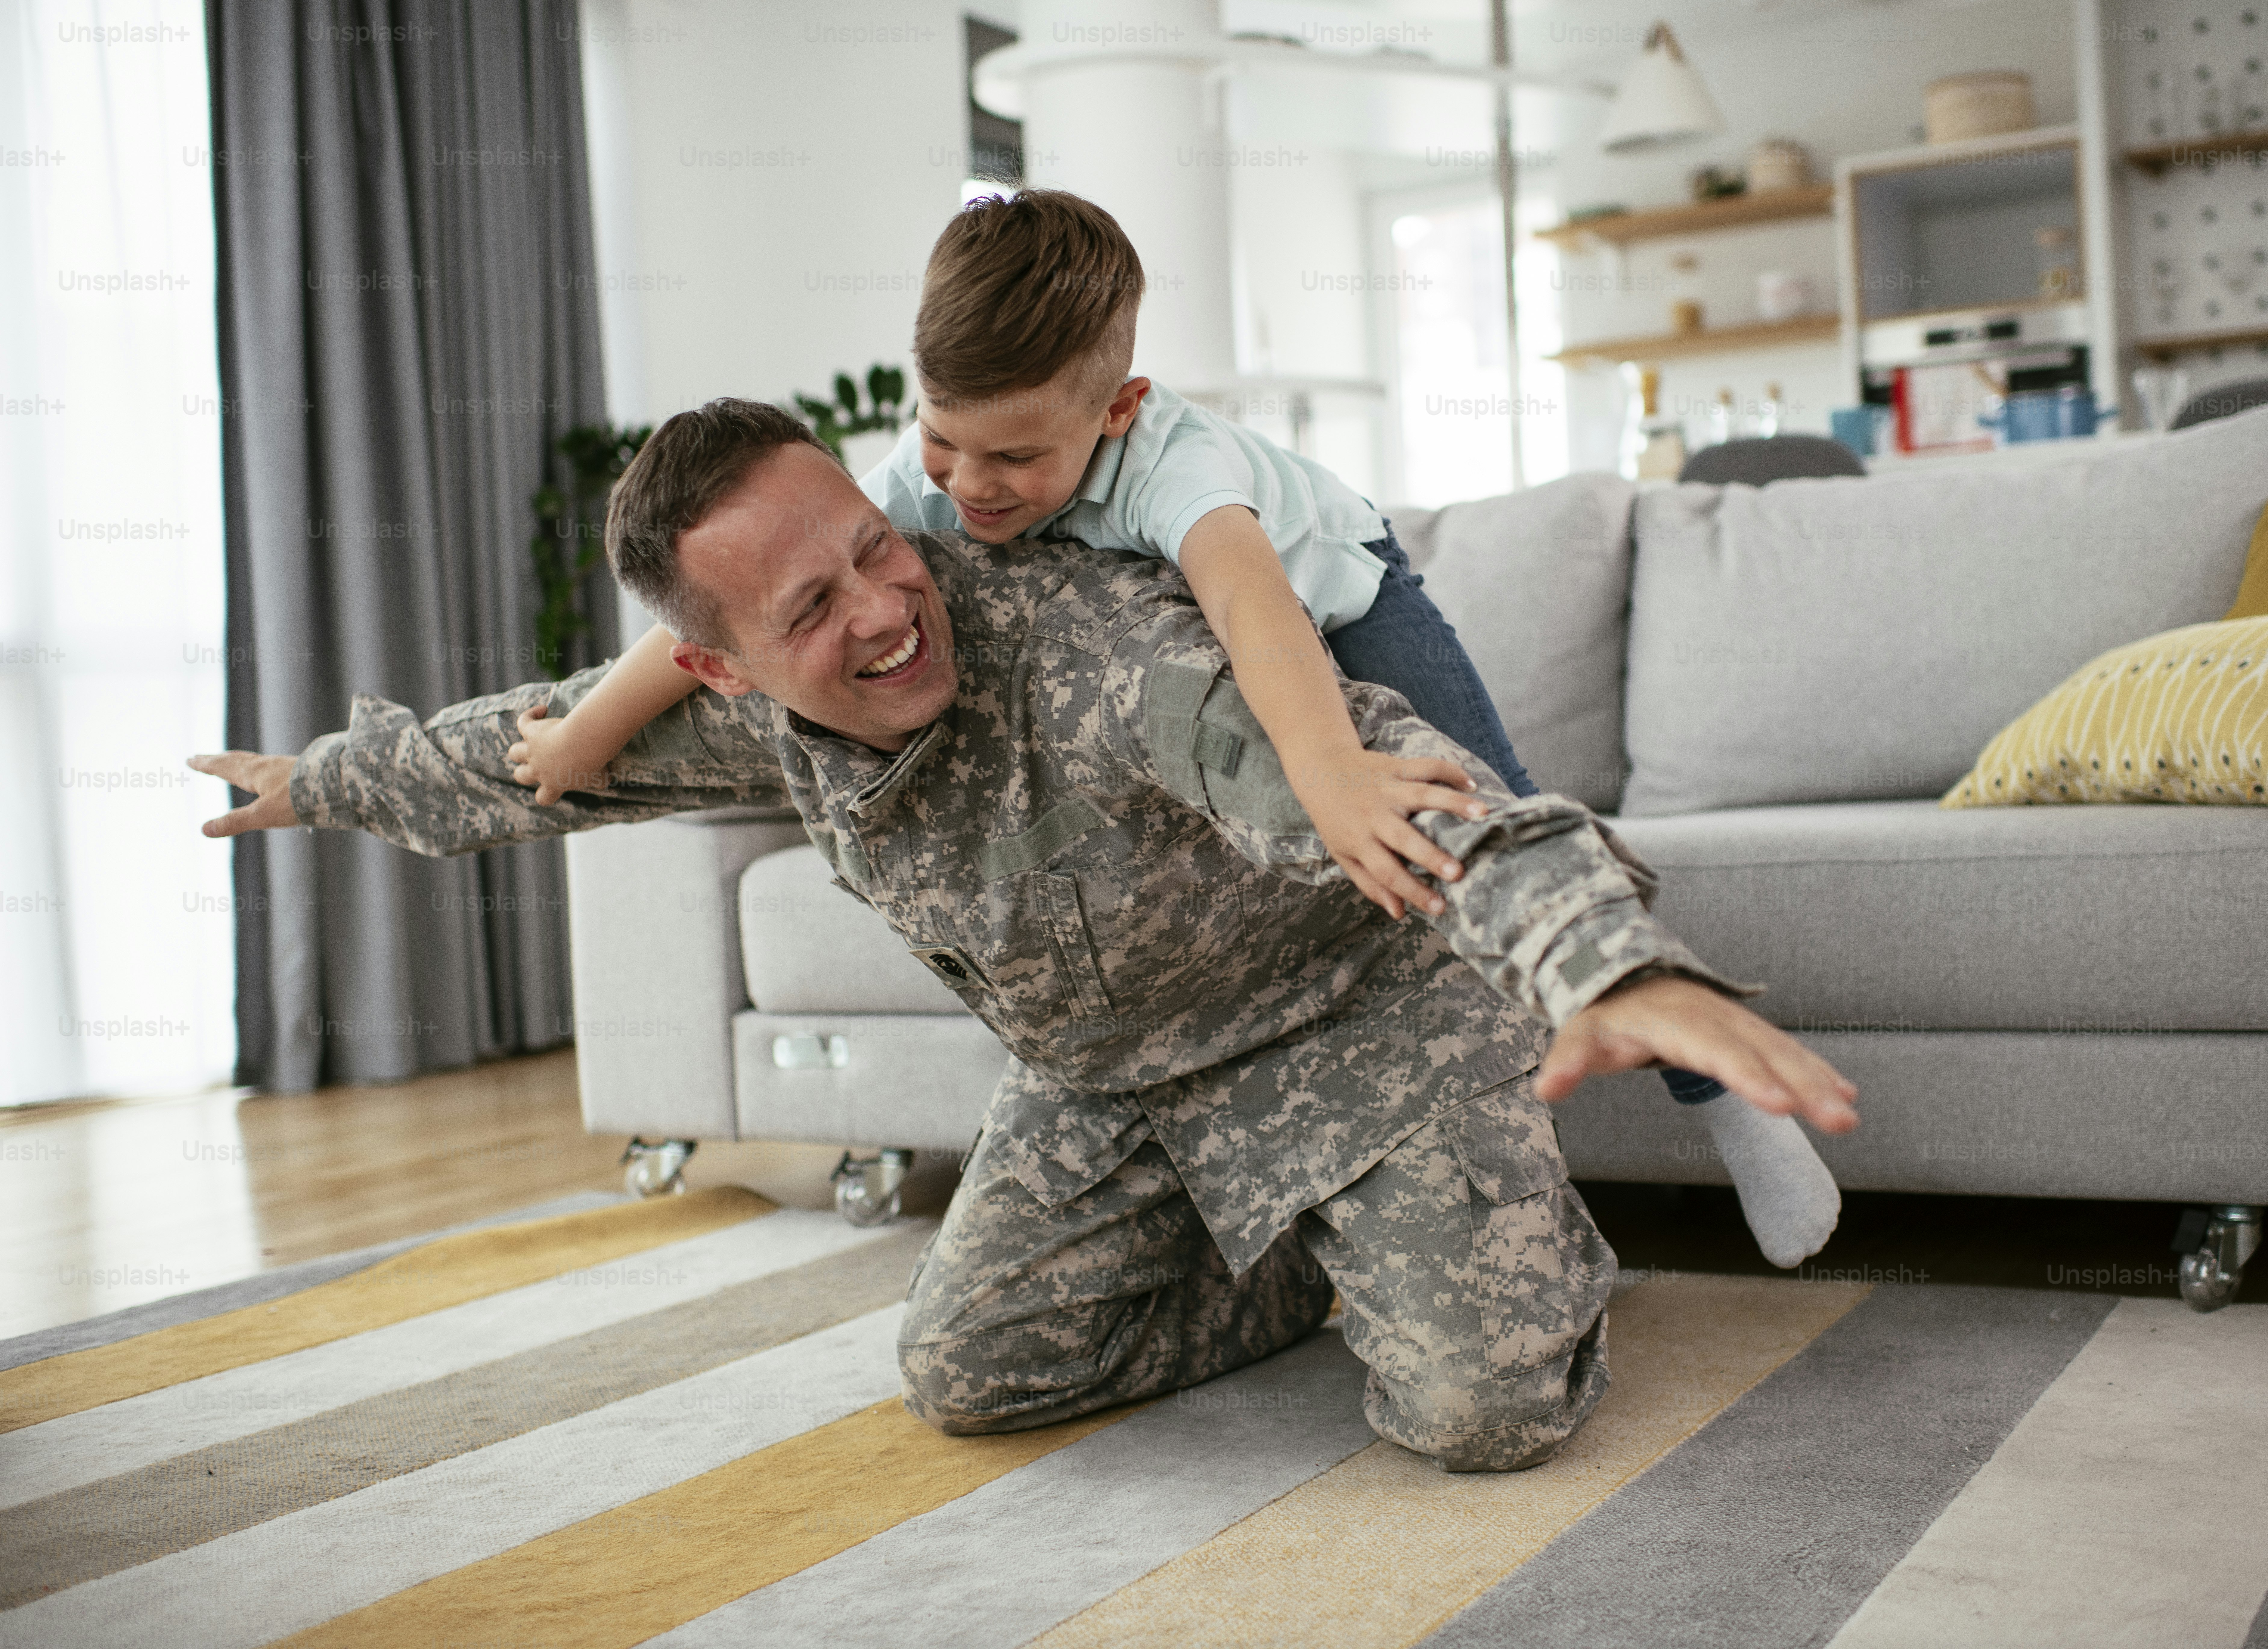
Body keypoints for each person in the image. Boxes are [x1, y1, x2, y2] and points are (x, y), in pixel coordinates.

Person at [193, 400, 1856, 1473]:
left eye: (871, 545)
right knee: (968, 1374)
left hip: (1355, 1025)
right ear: (718, 671)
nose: (881, 607)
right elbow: (524, 743)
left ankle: (1483, 1254)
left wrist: (1609, 964)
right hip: (1109, 1083)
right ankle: (1310, 1258)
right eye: (809, 612)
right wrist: (313, 781)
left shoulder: (1102, 643)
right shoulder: (749, 723)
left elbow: (1406, 794)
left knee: (1484, 1418)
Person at [507, 188, 1528, 923]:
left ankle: (1684, 1084)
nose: (972, 484)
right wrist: (582, 738)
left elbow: (1255, 610)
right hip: (1169, 643)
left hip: (1346, 591)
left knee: (1493, 805)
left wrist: (1337, 775)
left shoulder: (1180, 469)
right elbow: (721, 617)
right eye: (946, 438)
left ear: (1119, 412)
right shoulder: (929, 469)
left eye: (1020, 457)